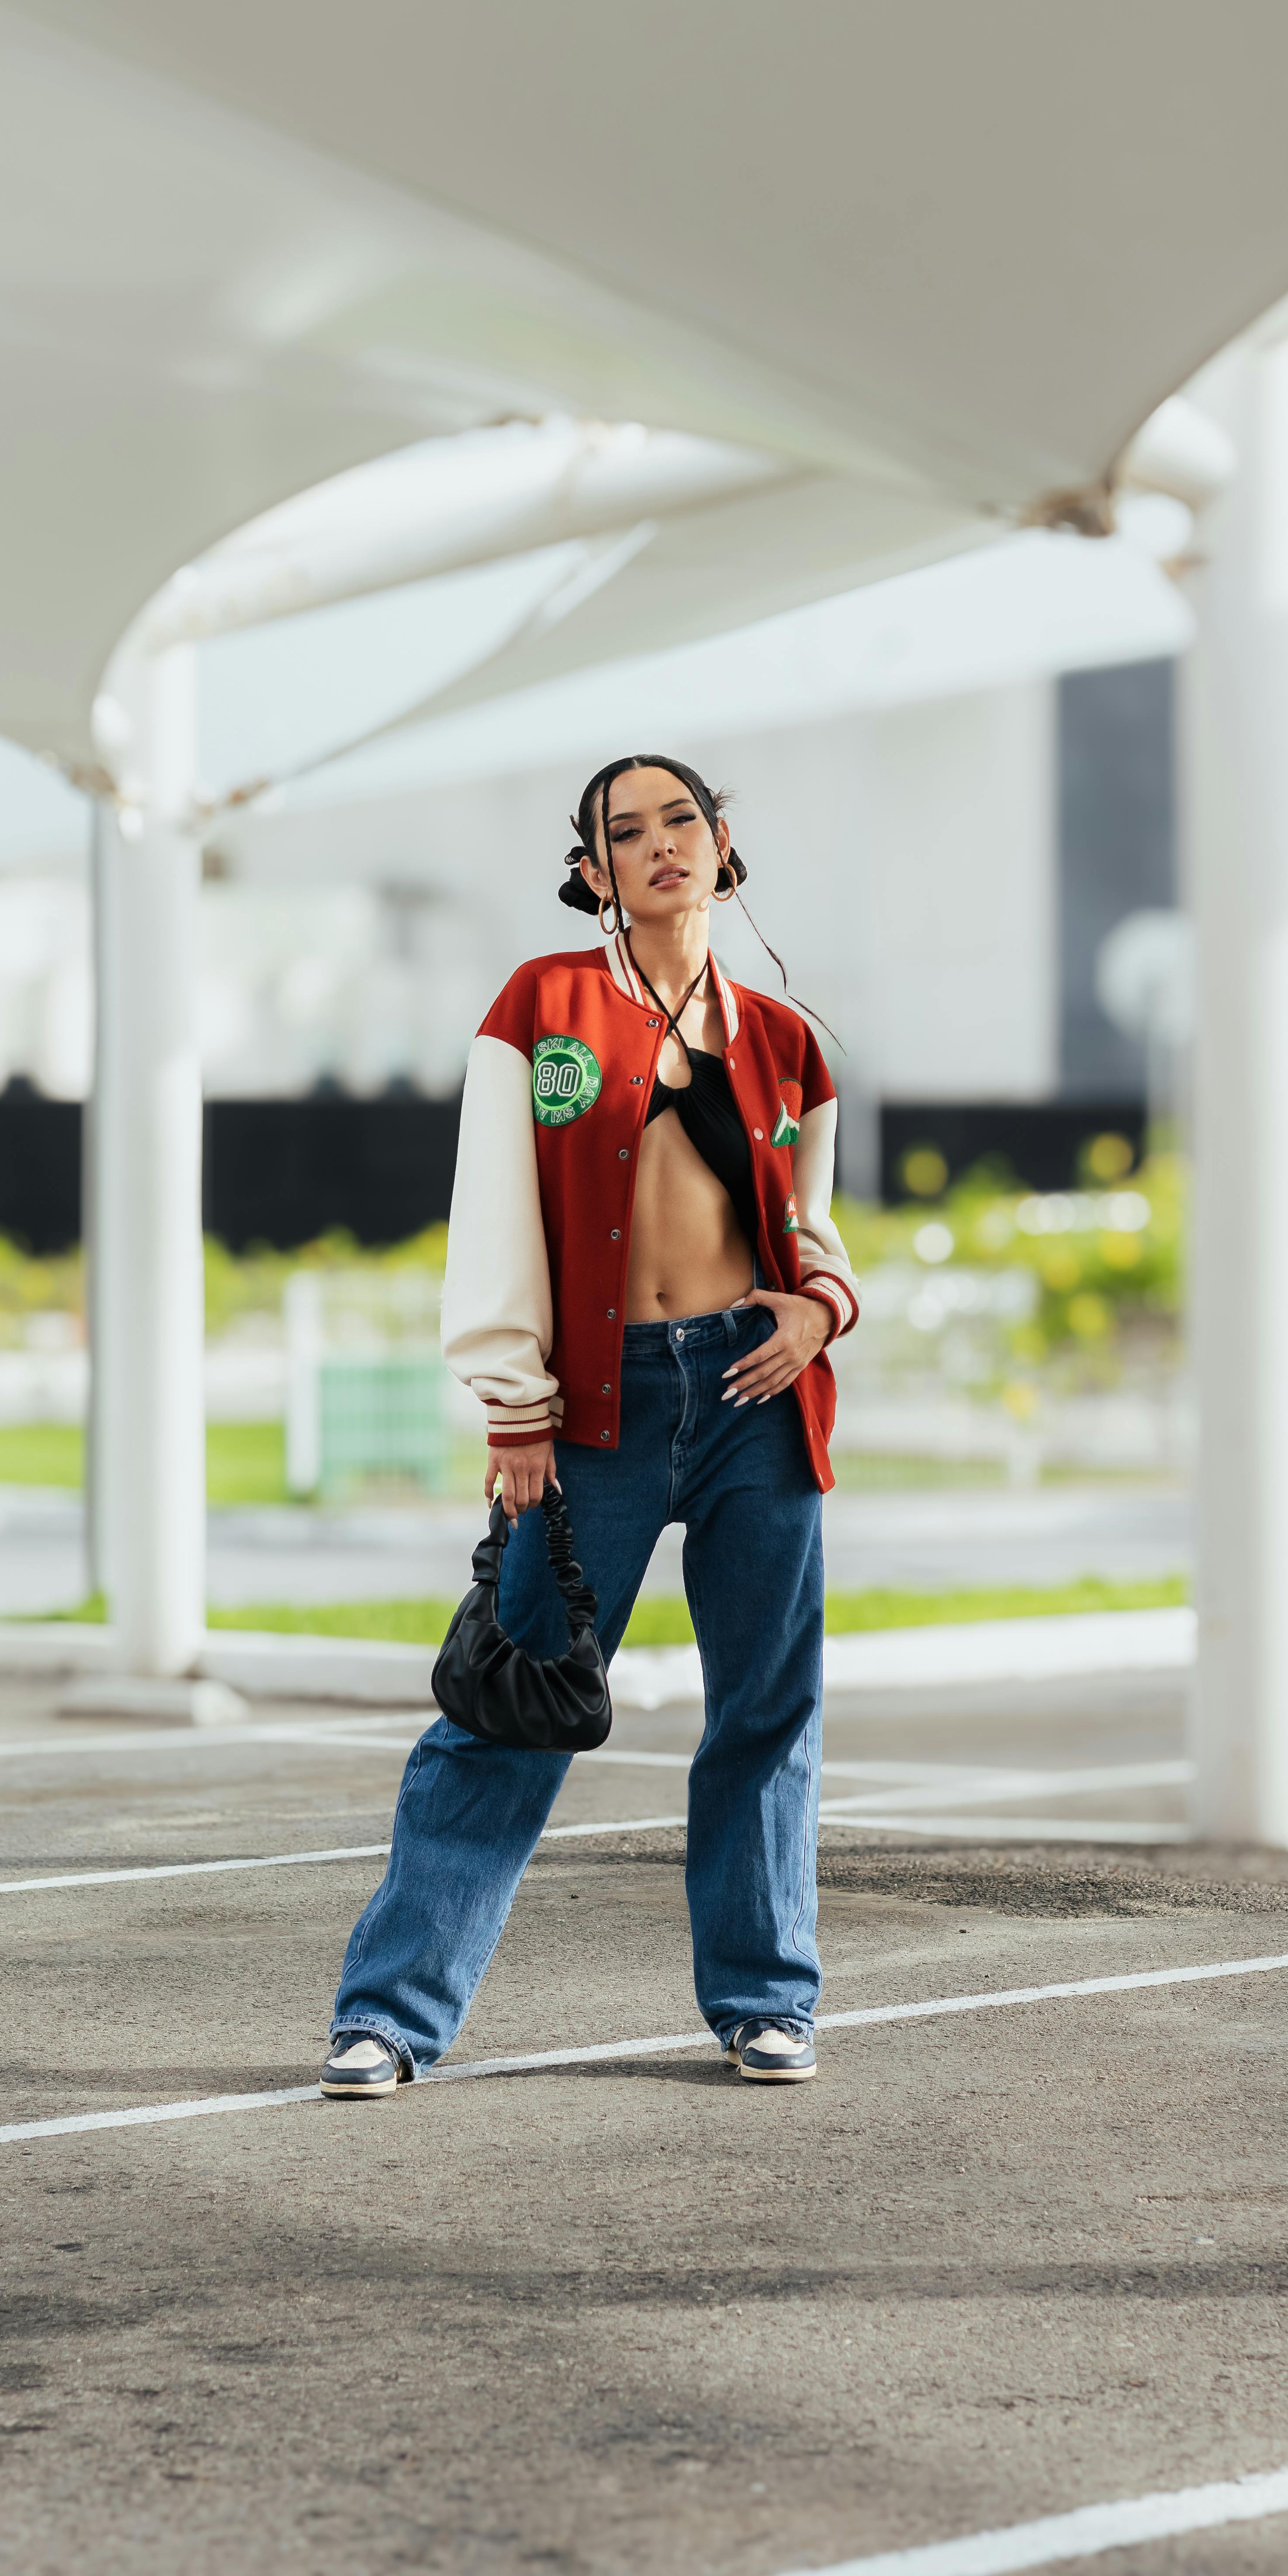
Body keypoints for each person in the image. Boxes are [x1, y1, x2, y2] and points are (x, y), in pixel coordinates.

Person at [319, 755, 859, 2097]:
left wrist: (821, 1307)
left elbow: (805, 1223)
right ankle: (388, 2014)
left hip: (752, 1393)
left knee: (765, 1708)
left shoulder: (786, 1039)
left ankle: (764, 1998)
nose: (660, 845)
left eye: (681, 820)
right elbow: (493, 1203)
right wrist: (515, 1401)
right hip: (593, 1406)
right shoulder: (543, 1008)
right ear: (593, 871)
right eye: (627, 831)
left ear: (722, 842)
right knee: (508, 1706)